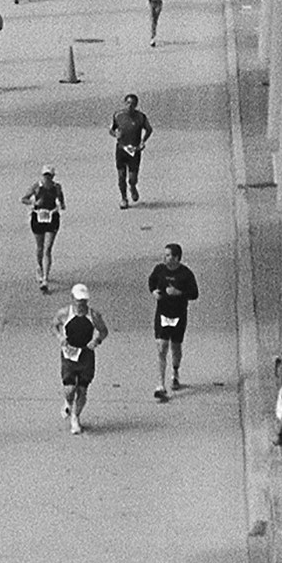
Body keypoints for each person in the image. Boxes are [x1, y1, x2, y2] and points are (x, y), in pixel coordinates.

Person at [146, 244, 199, 400]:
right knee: (162, 347)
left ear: (177, 258)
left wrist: (178, 293)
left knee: (175, 348)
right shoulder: (159, 270)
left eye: (169, 255)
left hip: (178, 315)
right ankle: (160, 385)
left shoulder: (186, 274)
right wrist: (153, 291)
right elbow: (152, 281)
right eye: (165, 255)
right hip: (163, 313)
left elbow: (194, 294)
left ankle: (175, 372)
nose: (166, 258)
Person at [57, 285, 108, 434]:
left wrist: (96, 341)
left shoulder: (94, 315)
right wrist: (60, 337)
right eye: (78, 300)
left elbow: (104, 331)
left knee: (82, 390)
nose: (81, 304)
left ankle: (75, 417)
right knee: (70, 388)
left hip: (86, 355)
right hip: (69, 354)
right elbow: (54, 325)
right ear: (72, 299)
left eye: (84, 300)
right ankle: (67, 401)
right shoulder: (64, 313)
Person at [22, 165, 65, 290]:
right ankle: (40, 268)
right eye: (45, 176)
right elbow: (24, 199)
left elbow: (62, 202)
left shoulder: (57, 187)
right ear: (42, 176)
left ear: (53, 177)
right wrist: (34, 203)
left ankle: (45, 278)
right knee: (40, 247)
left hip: (51, 217)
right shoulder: (36, 187)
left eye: (49, 176)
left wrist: (60, 205)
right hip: (38, 217)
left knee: (48, 249)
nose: (47, 178)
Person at [108, 92, 151, 208]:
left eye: (132, 104)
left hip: (134, 150)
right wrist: (115, 134)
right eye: (127, 103)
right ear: (124, 103)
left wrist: (143, 141)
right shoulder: (118, 115)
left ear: (136, 105)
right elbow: (111, 129)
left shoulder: (141, 117)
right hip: (121, 149)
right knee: (121, 175)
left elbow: (149, 129)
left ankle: (132, 187)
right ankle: (124, 198)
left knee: (132, 178)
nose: (129, 106)